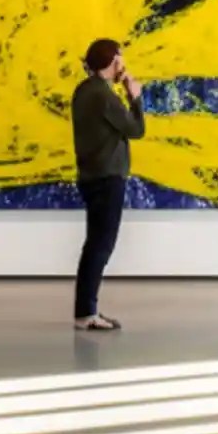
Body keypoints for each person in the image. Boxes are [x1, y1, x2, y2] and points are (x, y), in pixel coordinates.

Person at [70, 38, 145, 331]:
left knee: (95, 245)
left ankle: (85, 310)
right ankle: (86, 313)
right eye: (121, 59)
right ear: (114, 61)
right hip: (107, 178)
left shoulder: (83, 91)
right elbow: (136, 129)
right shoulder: (103, 96)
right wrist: (134, 97)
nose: (123, 64)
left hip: (90, 176)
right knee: (100, 246)